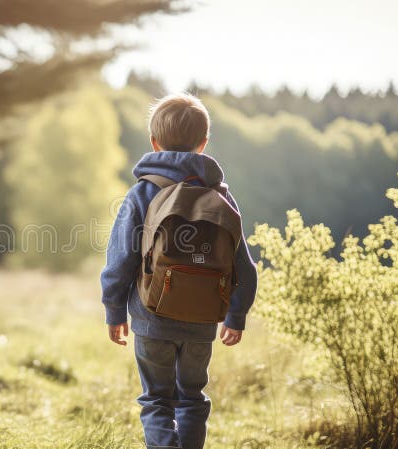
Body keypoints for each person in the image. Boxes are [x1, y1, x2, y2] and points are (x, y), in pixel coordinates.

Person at [100, 93, 257, 449]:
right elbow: (242, 263)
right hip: (203, 320)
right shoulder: (221, 196)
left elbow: (120, 258)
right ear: (203, 144)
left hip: (151, 316)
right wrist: (236, 314)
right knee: (191, 399)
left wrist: (114, 310)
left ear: (154, 143)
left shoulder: (143, 193)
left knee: (156, 400)